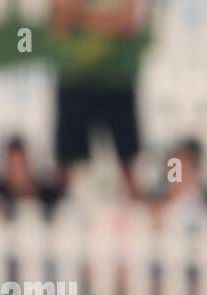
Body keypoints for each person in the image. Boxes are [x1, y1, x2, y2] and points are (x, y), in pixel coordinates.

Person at [44, 0, 147, 200]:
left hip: (117, 80)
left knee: (129, 166)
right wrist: (108, 20)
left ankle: (144, 221)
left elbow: (127, 23)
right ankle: (53, 217)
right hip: (75, 80)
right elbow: (59, 20)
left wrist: (81, 16)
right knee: (65, 164)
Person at [0, 136, 64, 220]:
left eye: (19, 166)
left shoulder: (48, 194)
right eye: (11, 166)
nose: (16, 173)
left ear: (29, 165)